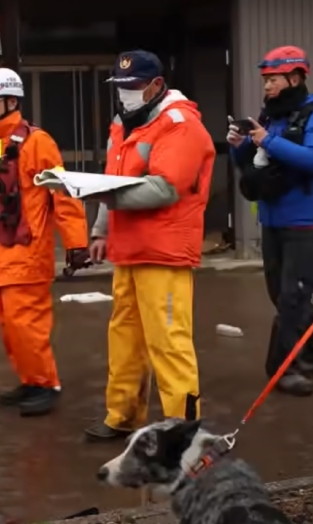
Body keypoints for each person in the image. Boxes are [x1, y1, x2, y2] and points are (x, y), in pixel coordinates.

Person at [83, 50, 215, 440]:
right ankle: (122, 415)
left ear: (157, 85)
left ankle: (183, 432)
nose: (125, 94)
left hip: (164, 252)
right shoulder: (125, 125)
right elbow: (114, 177)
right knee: (125, 339)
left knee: (169, 344)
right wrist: (101, 230)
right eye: (120, 87)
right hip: (130, 250)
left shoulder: (180, 125)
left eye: (133, 86)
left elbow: (165, 188)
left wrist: (98, 197)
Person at [0, 67, 90, 417]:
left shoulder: (37, 143)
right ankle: (31, 380)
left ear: (11, 101)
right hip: (0, 254)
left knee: (27, 325)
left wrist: (77, 243)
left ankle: (47, 384)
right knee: (9, 325)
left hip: (27, 253)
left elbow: (63, 195)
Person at [225, 46, 313, 397]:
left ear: (294, 78)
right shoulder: (271, 119)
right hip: (273, 219)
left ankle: (283, 370)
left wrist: (268, 140)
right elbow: (256, 161)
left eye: (273, 80)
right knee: (283, 295)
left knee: (292, 296)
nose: (267, 87)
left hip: (306, 221)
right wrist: (240, 145)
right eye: (265, 81)